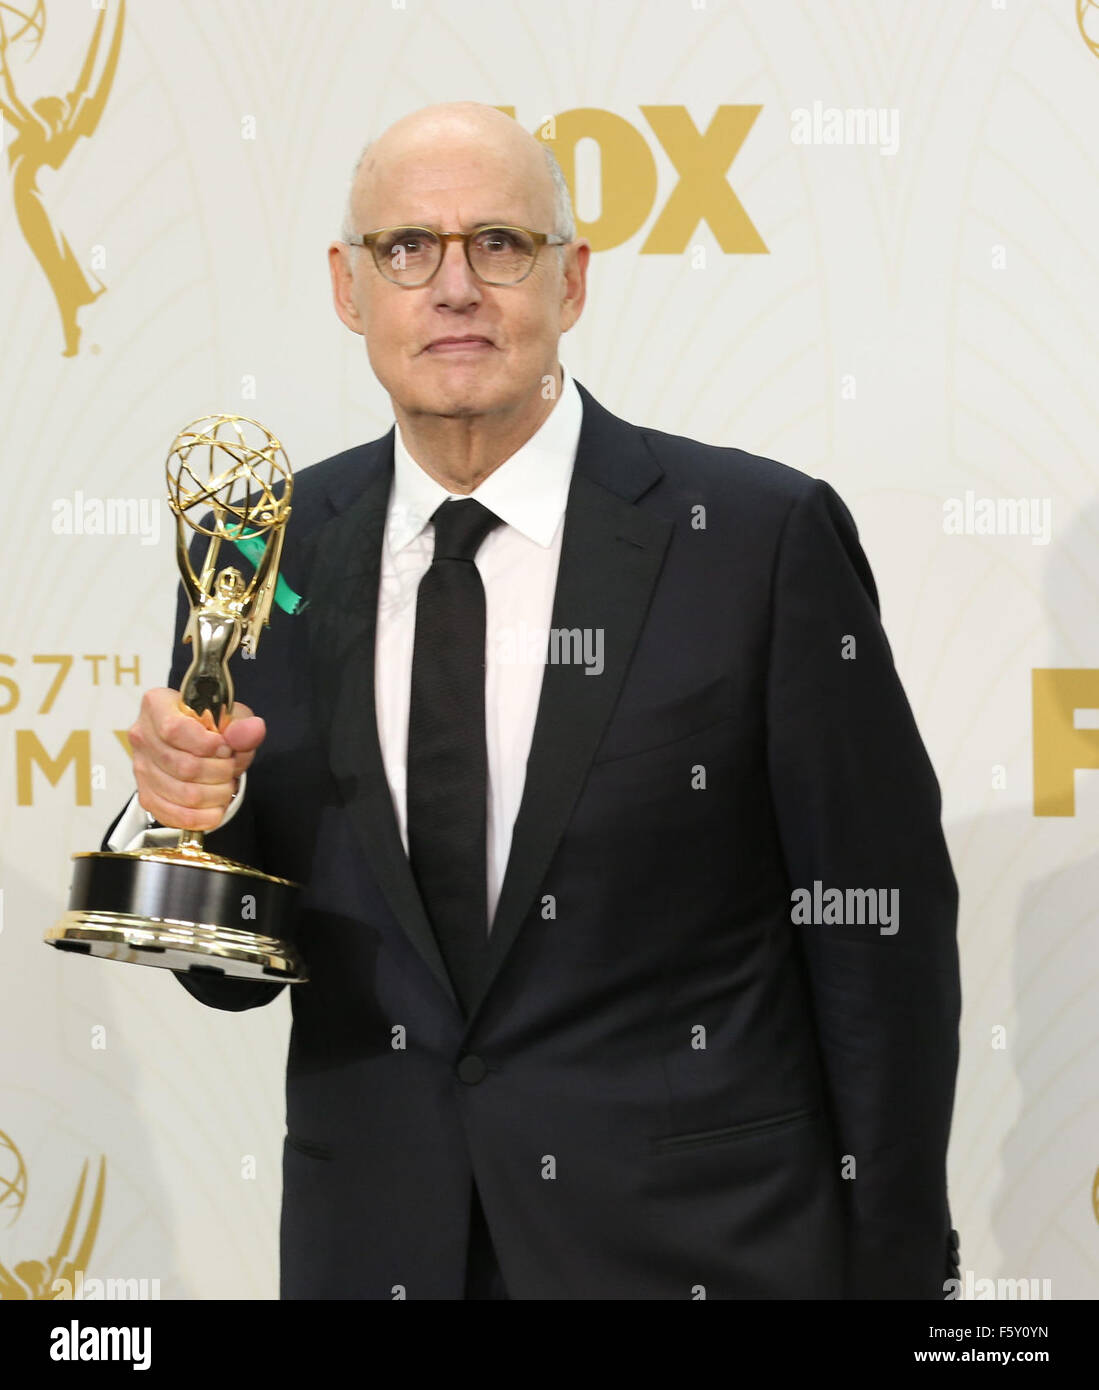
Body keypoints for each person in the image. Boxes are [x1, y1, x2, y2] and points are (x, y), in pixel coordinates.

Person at [103, 101, 962, 1300]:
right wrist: (197, 819)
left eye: (499, 243)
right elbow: (233, 972)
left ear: (573, 281)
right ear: (351, 291)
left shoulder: (756, 539)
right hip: (377, 1252)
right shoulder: (266, 540)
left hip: (699, 1257)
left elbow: (881, 946)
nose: (453, 286)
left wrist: (899, 1275)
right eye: (408, 249)